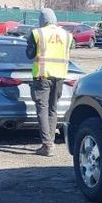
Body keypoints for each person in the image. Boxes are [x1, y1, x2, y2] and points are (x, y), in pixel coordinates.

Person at [26, 8, 74, 156]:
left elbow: (30, 54)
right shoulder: (67, 35)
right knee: (53, 109)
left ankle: (47, 145)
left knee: (42, 109)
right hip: (60, 76)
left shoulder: (37, 33)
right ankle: (50, 141)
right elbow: (70, 49)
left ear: (42, 20)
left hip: (42, 76)